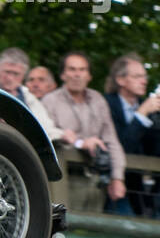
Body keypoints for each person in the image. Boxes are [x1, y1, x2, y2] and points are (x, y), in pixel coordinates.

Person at [42, 51, 128, 213]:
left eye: (82, 70)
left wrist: (117, 177)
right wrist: (81, 143)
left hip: (96, 180)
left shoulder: (98, 100)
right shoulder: (50, 101)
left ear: (89, 76)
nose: (77, 75)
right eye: (72, 69)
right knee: (63, 231)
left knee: (93, 232)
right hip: (65, 180)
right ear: (63, 74)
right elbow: (47, 137)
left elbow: (112, 140)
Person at [103, 53, 160, 215]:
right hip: (109, 184)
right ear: (120, 80)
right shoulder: (105, 103)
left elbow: (153, 151)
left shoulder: (148, 107)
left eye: (144, 76)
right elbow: (121, 146)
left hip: (138, 188)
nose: (144, 80)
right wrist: (141, 114)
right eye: (137, 76)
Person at [0, 47, 63, 142]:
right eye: (7, 72)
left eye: (15, 74)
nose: (10, 78)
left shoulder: (29, 98)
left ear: (23, 75)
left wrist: (62, 135)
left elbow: (47, 129)